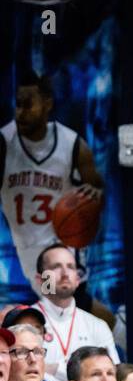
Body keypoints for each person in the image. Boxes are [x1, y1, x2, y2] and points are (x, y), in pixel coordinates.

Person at [0, 71, 106, 285]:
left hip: (59, 250)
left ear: (47, 104)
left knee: (61, 307)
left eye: (28, 105)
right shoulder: (4, 141)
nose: (20, 113)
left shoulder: (73, 145)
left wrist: (94, 197)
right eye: (17, 105)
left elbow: (99, 193)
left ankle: (113, 320)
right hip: (18, 252)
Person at [32, 243, 119, 381]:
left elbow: (113, 374)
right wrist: (86, 373)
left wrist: (53, 368)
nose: (65, 274)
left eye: (71, 267)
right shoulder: (26, 321)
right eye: (56, 267)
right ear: (40, 279)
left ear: (78, 279)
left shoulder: (97, 325)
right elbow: (26, 374)